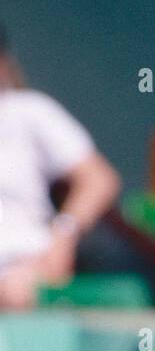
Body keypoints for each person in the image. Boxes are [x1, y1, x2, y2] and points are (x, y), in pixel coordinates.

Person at [0, 24, 121, 311]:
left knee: (12, 292)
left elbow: (99, 179)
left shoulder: (29, 111)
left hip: (21, 263)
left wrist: (64, 235)